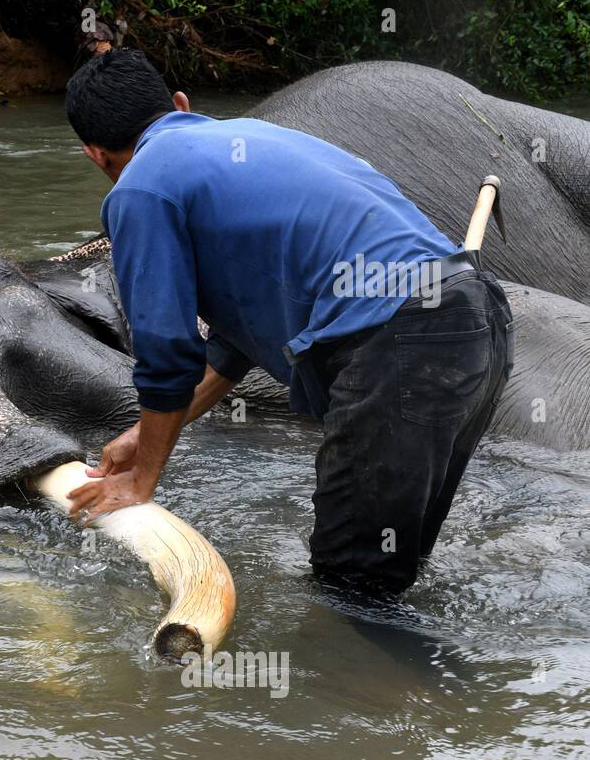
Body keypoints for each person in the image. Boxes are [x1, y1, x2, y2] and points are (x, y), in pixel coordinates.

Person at [63, 49, 514, 593]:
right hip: (477, 320)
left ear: (95, 154)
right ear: (182, 105)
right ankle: (421, 674)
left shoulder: (139, 187)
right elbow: (233, 348)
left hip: (401, 338)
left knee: (349, 585)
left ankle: (363, 674)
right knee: (393, 570)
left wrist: (143, 479)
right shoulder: (252, 137)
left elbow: (165, 351)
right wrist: (147, 435)